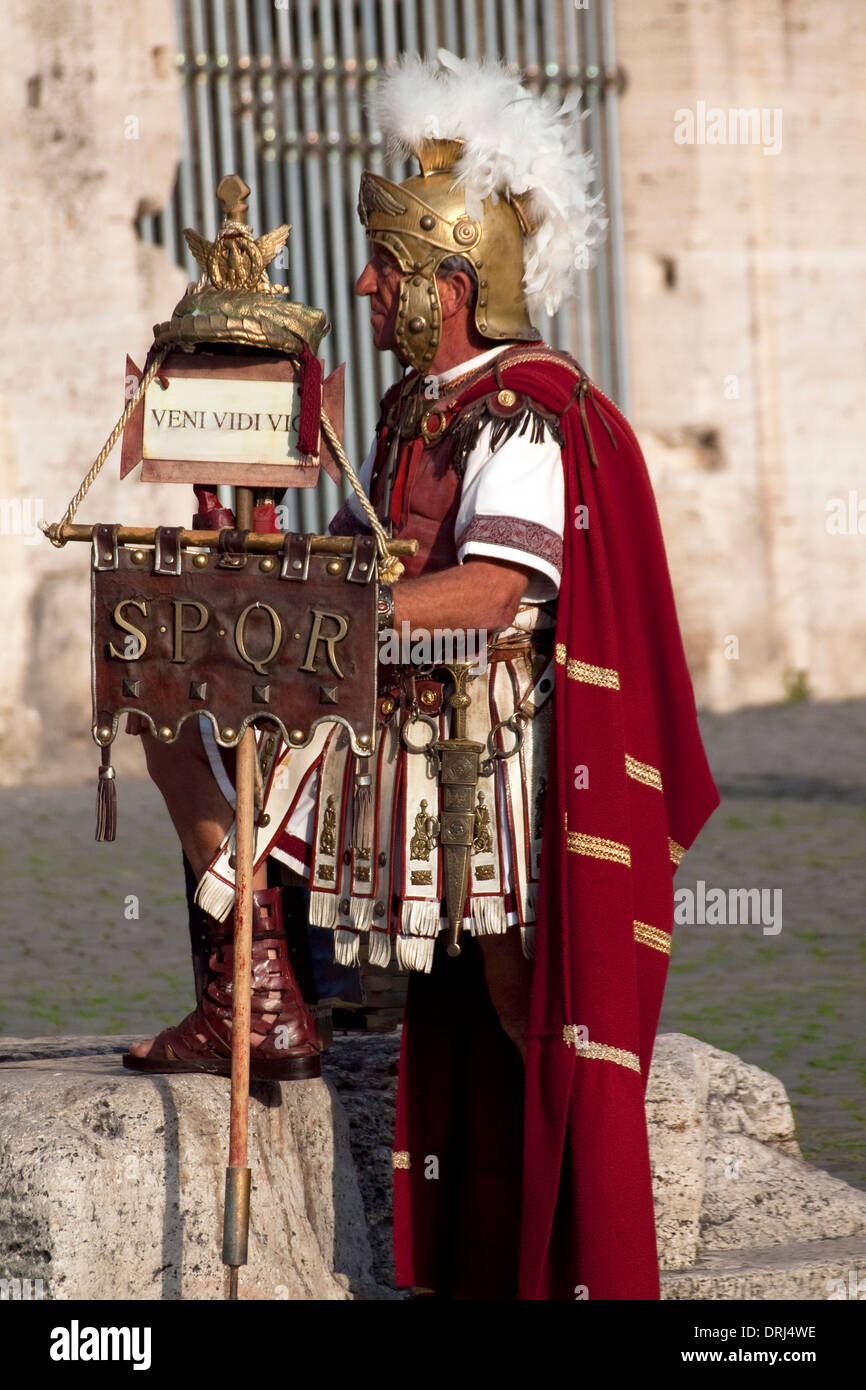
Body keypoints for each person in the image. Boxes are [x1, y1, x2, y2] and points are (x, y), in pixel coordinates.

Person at [128, 50, 719, 1300]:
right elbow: (362, 552)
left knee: (514, 1005)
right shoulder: (411, 406)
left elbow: (493, 588)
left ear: (450, 283)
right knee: (173, 711)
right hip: (380, 727)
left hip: (471, 755)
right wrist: (252, 556)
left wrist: (326, 614)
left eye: (386, 269)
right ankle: (262, 991)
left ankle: (574, 1249)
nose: (364, 283)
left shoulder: (524, 413)